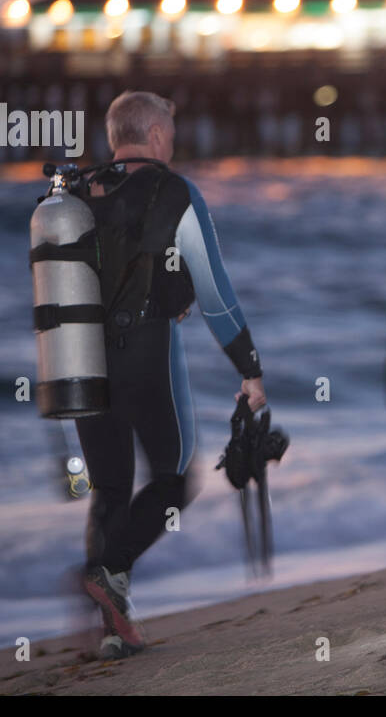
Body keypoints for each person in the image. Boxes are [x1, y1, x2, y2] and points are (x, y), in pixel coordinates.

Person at [78, 90, 267, 658]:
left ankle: (114, 629)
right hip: (144, 355)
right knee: (173, 478)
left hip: (79, 362)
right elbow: (216, 295)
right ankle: (106, 570)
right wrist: (249, 370)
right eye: (172, 134)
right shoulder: (175, 192)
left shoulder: (81, 195)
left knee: (110, 488)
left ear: (116, 137)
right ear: (157, 135)